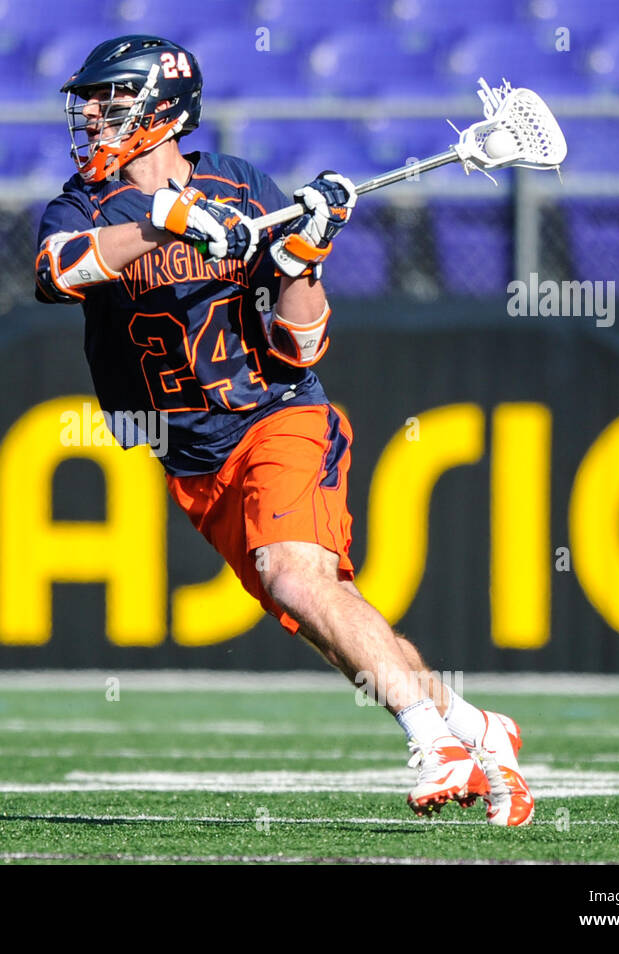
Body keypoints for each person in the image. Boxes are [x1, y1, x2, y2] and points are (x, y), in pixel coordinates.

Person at [34, 34, 533, 825]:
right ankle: (477, 727)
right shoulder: (84, 206)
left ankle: (434, 743)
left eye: (108, 102)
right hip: (193, 459)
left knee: (295, 576)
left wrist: (306, 256)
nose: (90, 118)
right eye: (89, 105)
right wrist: (170, 225)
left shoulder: (241, 185)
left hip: (276, 415)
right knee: (317, 608)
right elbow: (59, 271)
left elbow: (302, 343)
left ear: (159, 111)